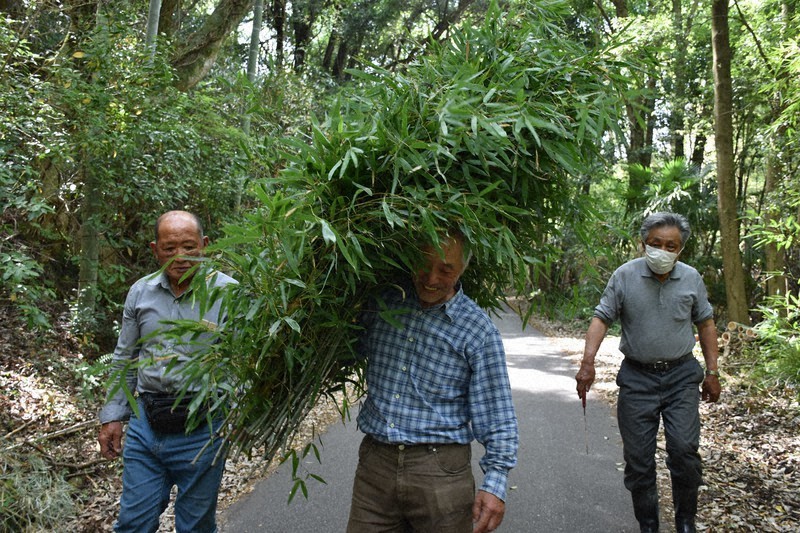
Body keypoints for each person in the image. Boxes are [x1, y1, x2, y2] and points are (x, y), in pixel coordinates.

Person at [346, 230, 519, 533]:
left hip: (441, 473)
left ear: (462, 269)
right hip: (376, 467)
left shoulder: (477, 330)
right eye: (423, 265)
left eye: (445, 269)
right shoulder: (383, 302)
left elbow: (497, 414)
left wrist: (495, 483)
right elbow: (344, 351)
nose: (430, 278)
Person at [575, 212, 722, 533]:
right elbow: (601, 318)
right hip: (637, 378)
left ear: (680, 249)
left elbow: (706, 323)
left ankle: (685, 521)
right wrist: (588, 361)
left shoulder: (691, 278)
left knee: (684, 450)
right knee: (639, 460)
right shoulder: (624, 276)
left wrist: (713, 371)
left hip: (681, 375)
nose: (662, 250)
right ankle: (649, 525)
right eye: (656, 243)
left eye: (671, 246)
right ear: (643, 244)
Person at [97, 210, 236, 533]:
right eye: (170, 248)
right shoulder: (140, 293)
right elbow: (126, 358)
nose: (181, 256)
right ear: (154, 250)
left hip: (204, 429)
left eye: (189, 246)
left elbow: (242, 362)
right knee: (133, 523)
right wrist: (113, 416)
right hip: (147, 426)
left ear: (205, 245)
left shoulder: (229, 293)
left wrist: (236, 417)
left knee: (196, 526)